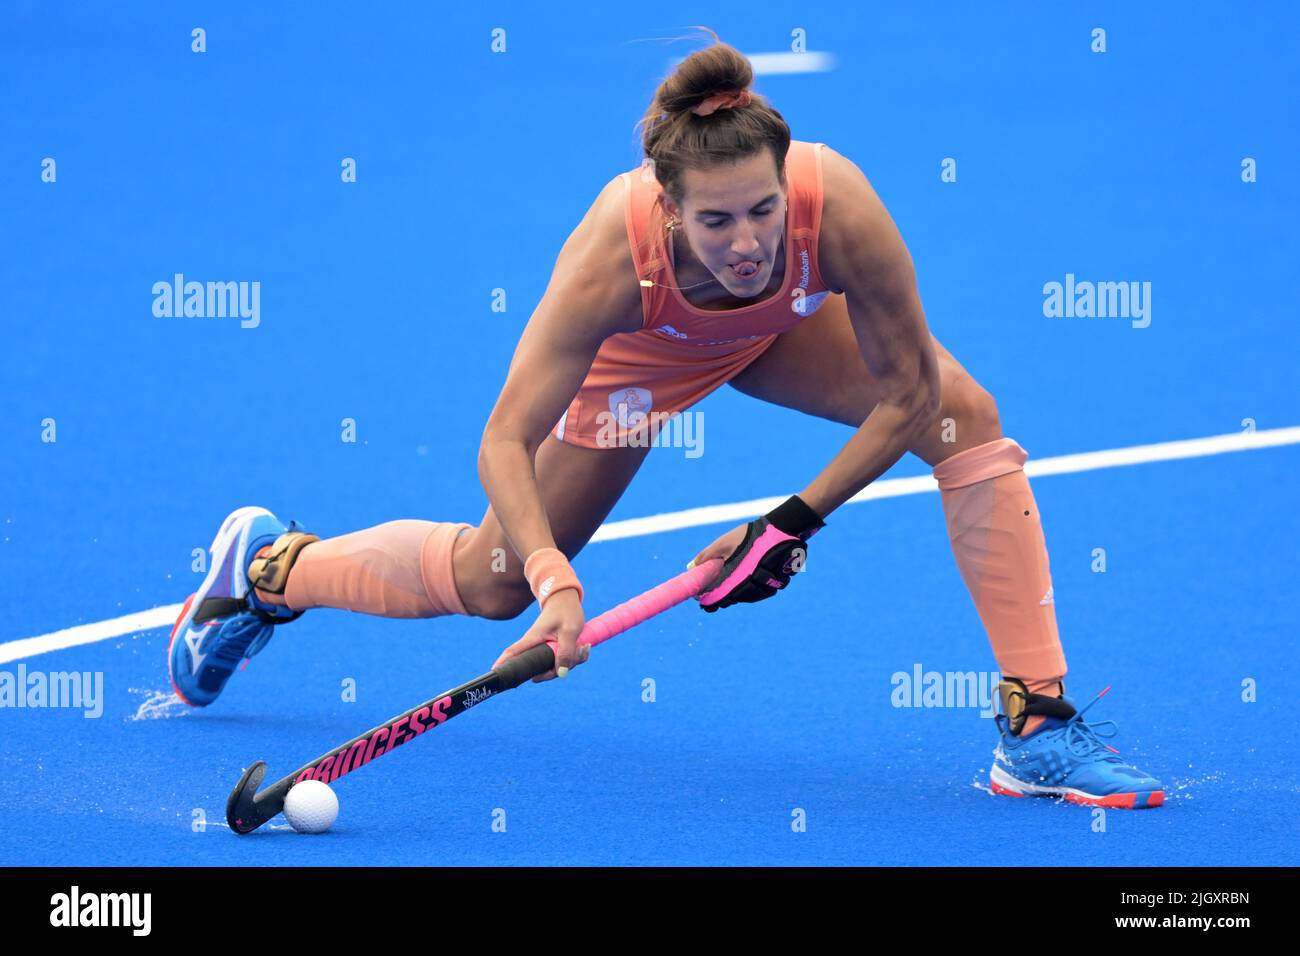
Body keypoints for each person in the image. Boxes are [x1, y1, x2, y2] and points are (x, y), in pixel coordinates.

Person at [168, 32, 1163, 809]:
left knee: (966, 418)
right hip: (638, 370)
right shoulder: (612, 254)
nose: (746, 242)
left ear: (787, 185)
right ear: (670, 206)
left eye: (764, 212)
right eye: (717, 220)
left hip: (778, 334)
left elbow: (907, 395)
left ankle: (1036, 722)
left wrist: (789, 522)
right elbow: (502, 442)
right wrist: (558, 583)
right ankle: (267, 569)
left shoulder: (840, 206)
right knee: (493, 581)